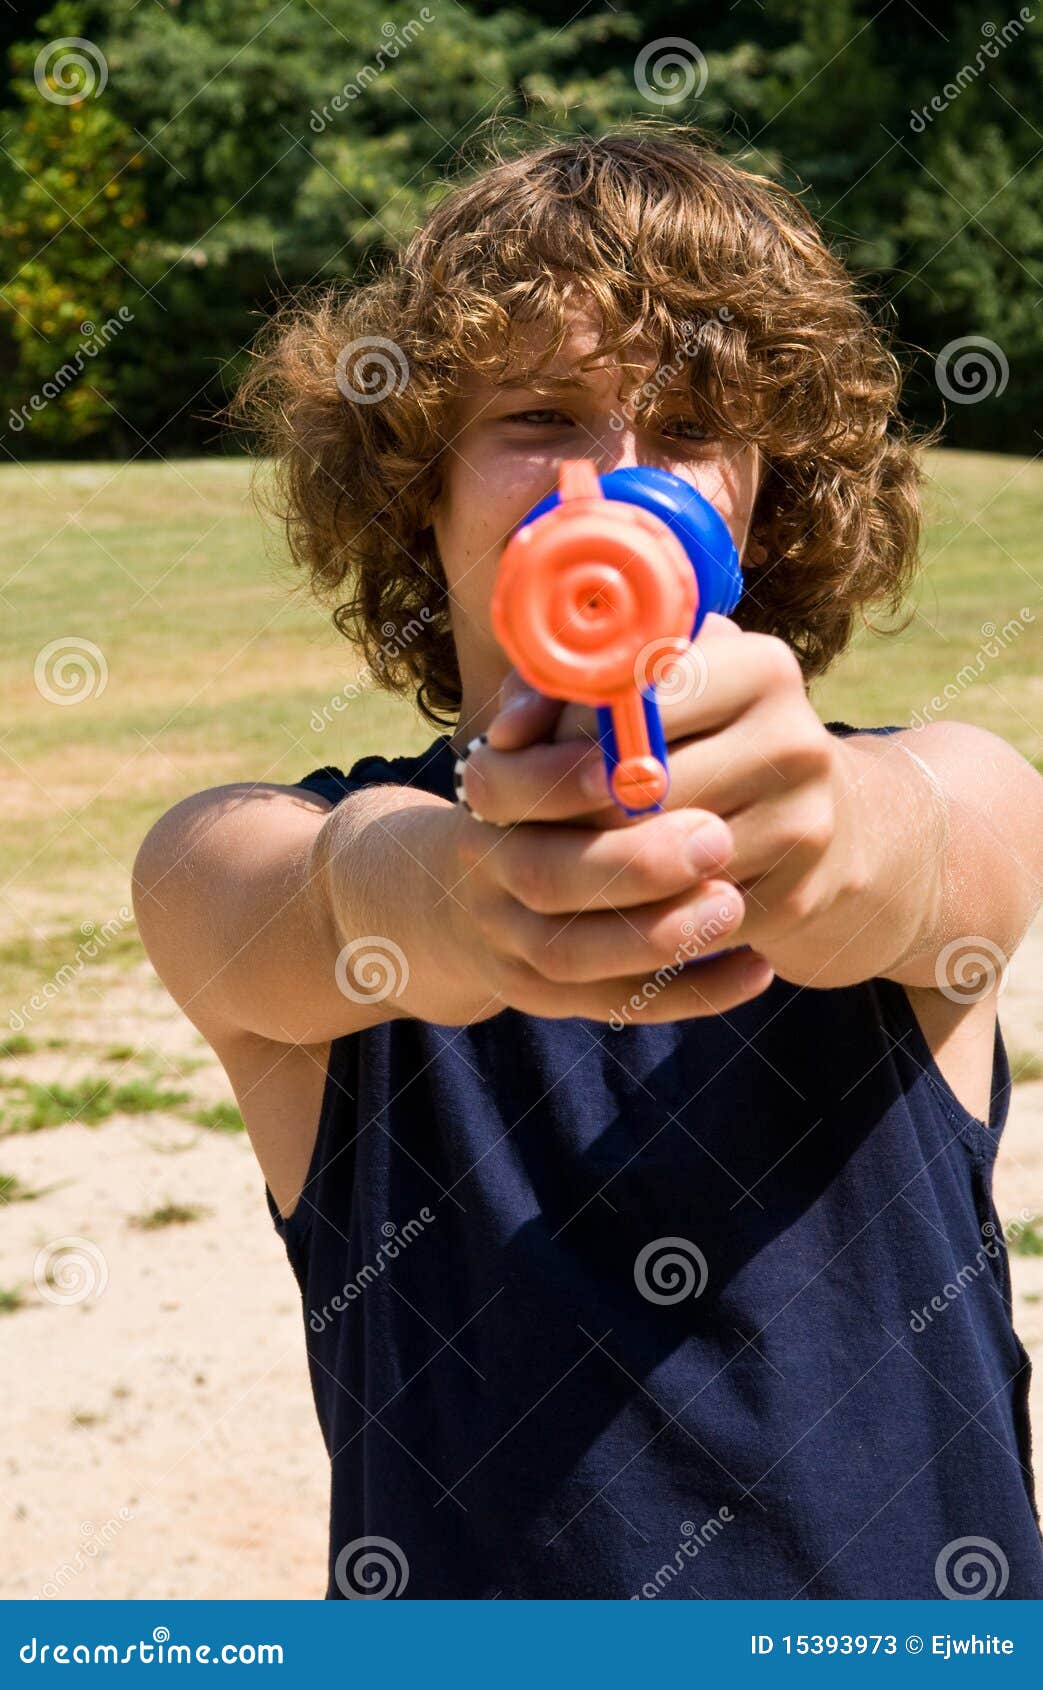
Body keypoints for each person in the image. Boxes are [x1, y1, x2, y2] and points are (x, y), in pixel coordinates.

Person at [132, 127, 1043, 1600]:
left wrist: (808, 846)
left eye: (689, 425)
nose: (613, 481)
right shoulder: (266, 857)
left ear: (765, 495)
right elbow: (260, 898)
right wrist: (456, 896)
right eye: (541, 415)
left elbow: (932, 850)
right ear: (417, 489)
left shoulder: (933, 779)